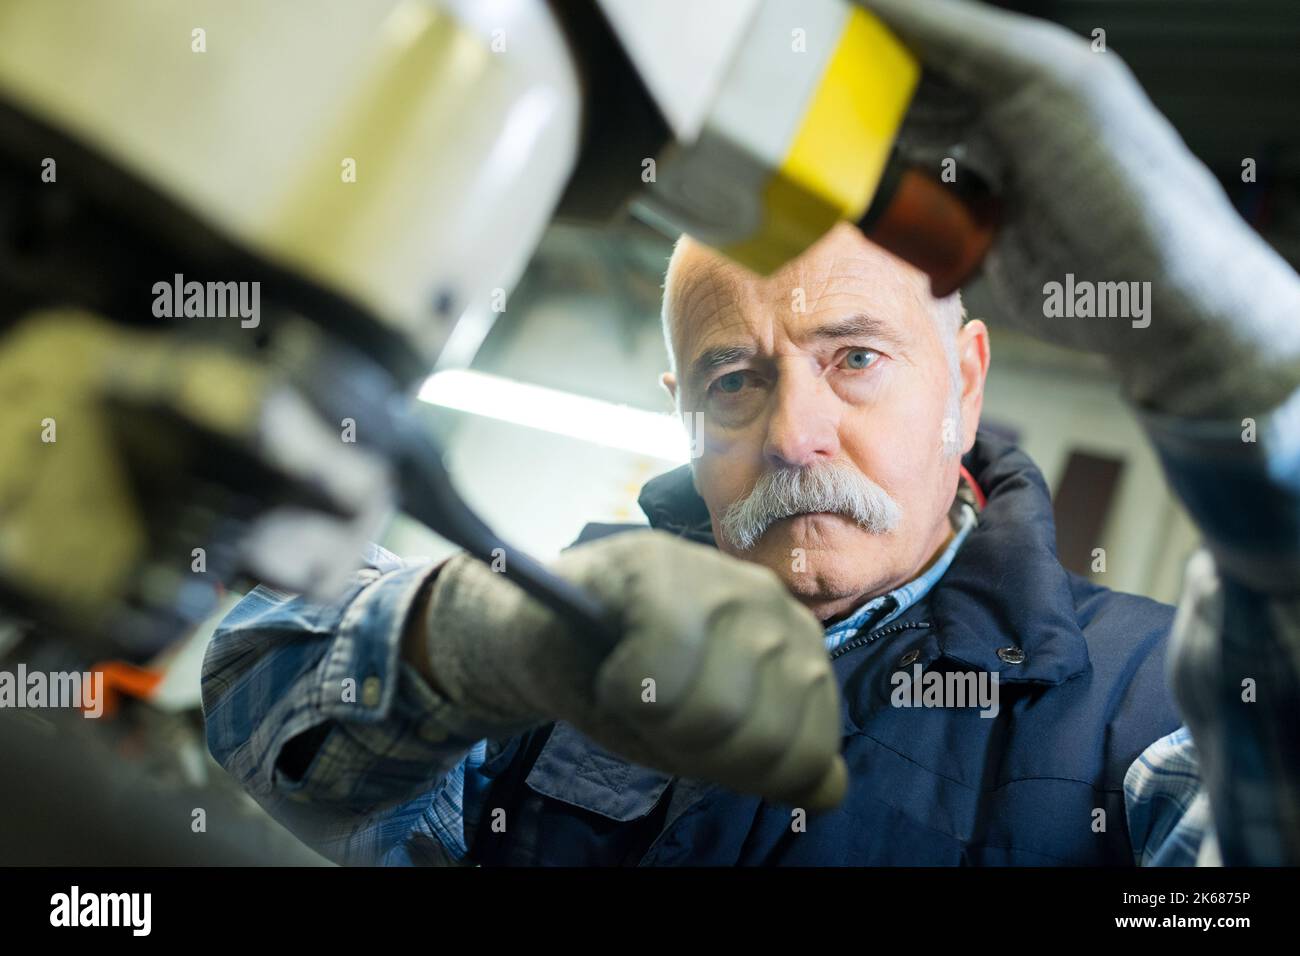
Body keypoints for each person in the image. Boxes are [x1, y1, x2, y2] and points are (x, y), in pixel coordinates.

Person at [201, 0, 1300, 865]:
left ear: (965, 384)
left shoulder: (1146, 702)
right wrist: (479, 643)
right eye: (734, 381)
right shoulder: (573, 620)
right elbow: (257, 682)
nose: (793, 434)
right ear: (679, 403)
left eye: (856, 358)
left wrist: (1253, 377)